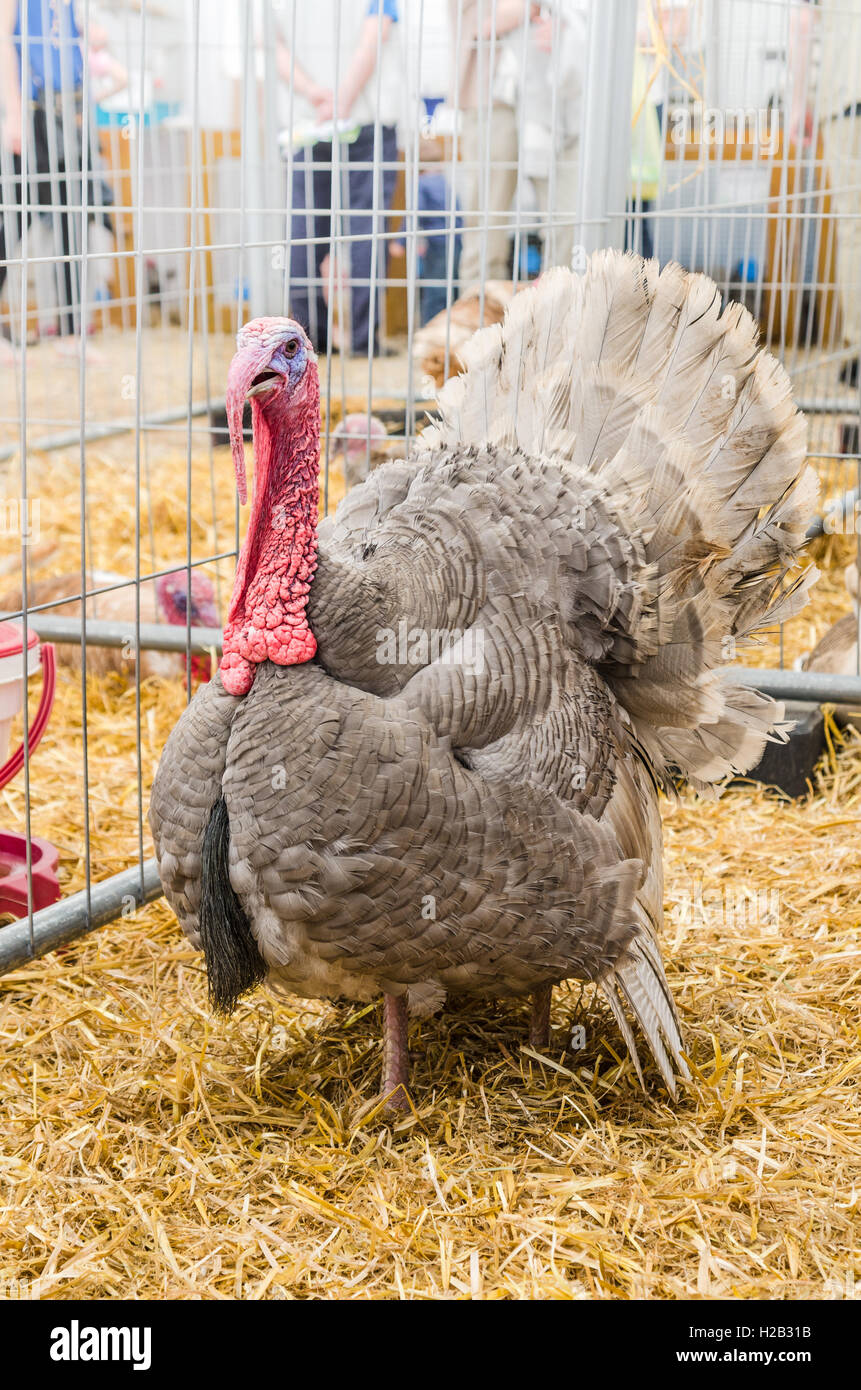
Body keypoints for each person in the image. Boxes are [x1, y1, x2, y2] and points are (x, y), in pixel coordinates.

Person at [277, 1, 402, 357]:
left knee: (303, 233)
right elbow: (375, 36)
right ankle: (364, 342)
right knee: (369, 233)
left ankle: (309, 343)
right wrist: (343, 98)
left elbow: (272, 46)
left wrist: (315, 94)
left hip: (307, 120)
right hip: (366, 118)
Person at [790, 0, 861, 387]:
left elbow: (803, 21)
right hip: (844, 97)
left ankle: (857, 354)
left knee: (854, 229)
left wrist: (800, 102)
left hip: (845, 95)